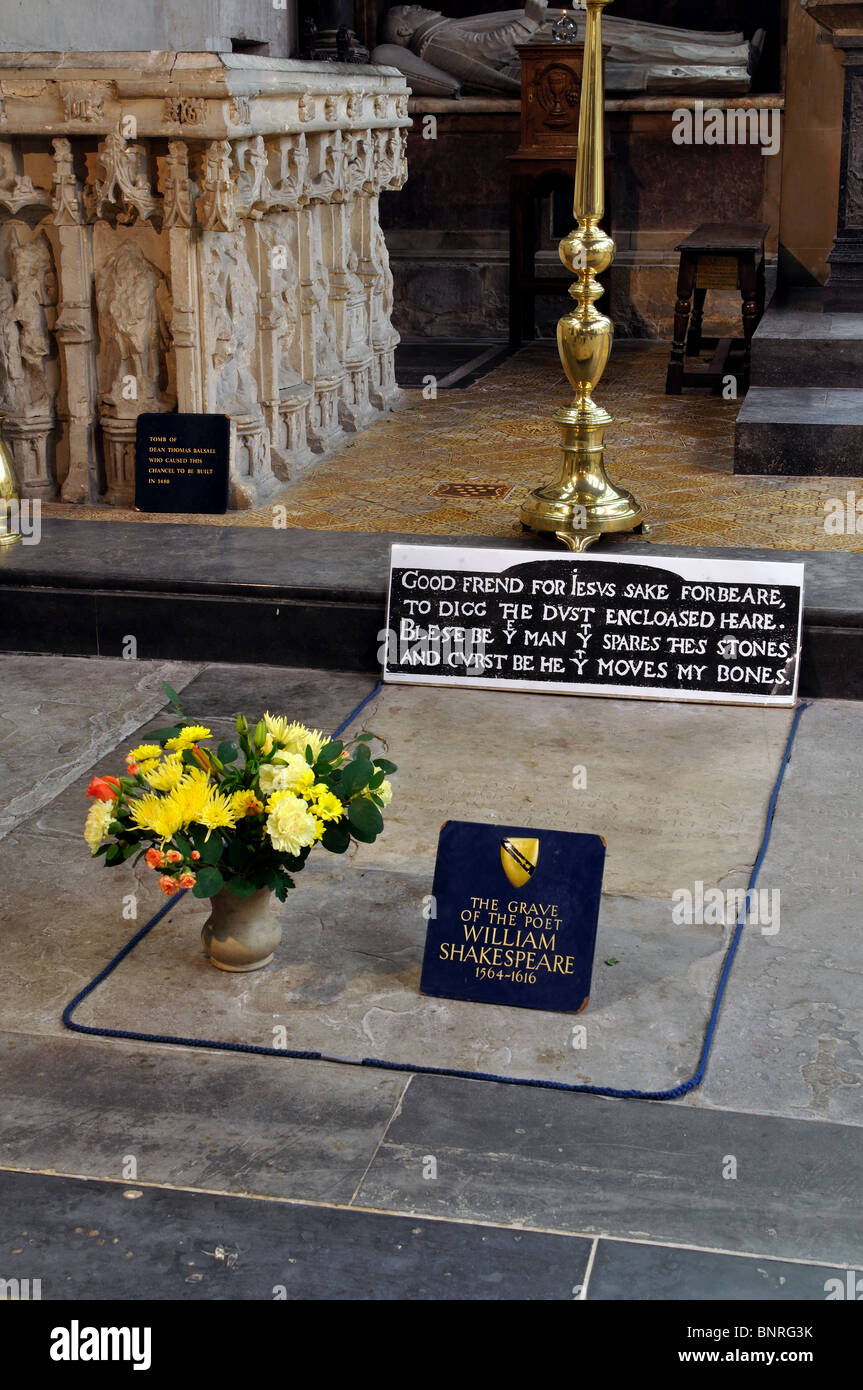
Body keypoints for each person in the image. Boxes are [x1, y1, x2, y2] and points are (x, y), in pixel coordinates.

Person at [372, 2, 763, 97]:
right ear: (404, 28)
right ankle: (731, 66)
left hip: (552, 37)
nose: (416, 6)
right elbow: (486, 52)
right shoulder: (436, 41)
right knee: (644, 51)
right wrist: (529, 17)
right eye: (407, 9)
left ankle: (730, 51)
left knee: (645, 40)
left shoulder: (440, 32)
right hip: (550, 48)